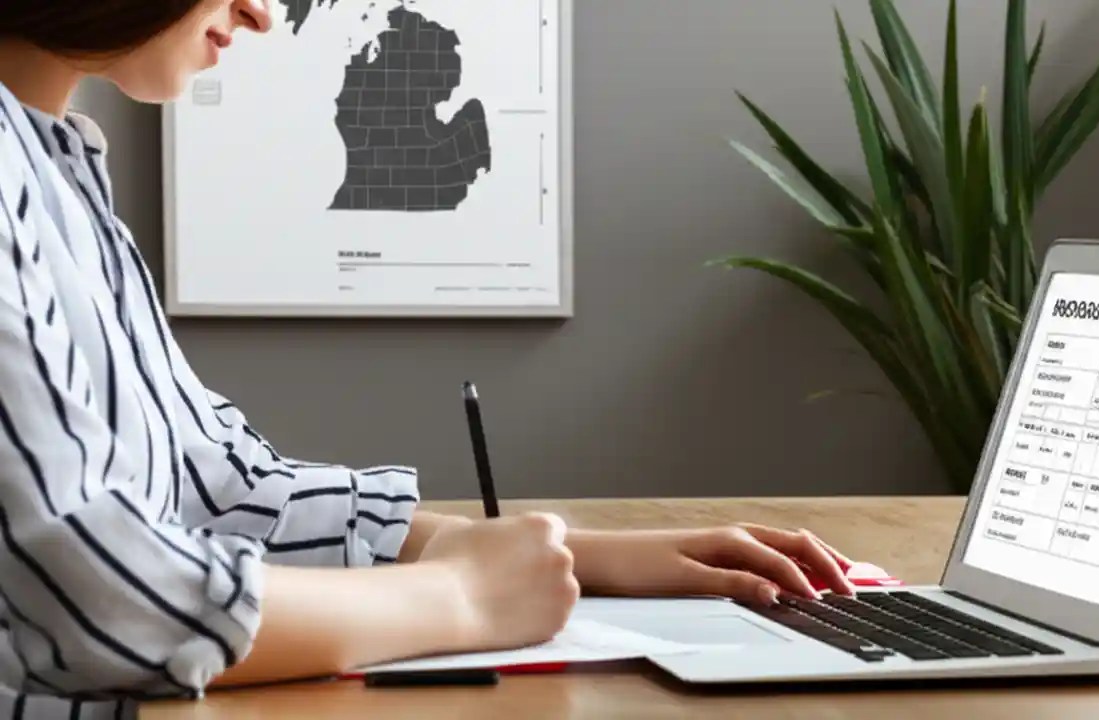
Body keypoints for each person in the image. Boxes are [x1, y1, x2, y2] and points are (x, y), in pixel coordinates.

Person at [0, 1, 860, 717]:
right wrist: (462, 599)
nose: (262, 12)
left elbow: (219, 492)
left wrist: (575, 555)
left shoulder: (53, 164)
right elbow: (103, 606)